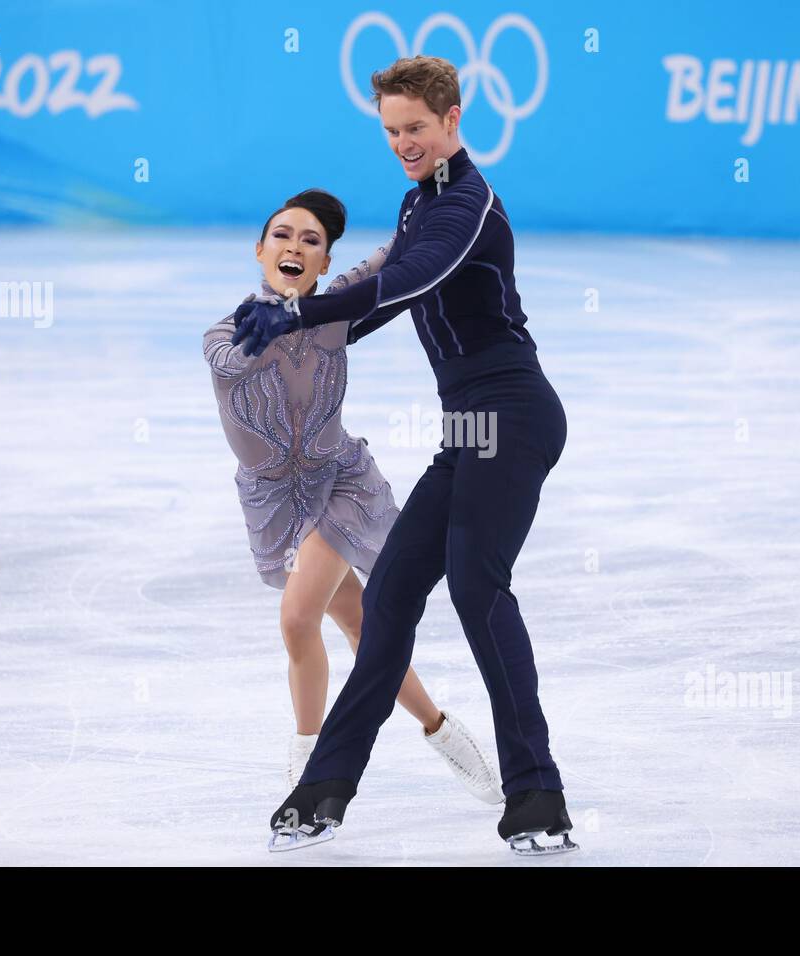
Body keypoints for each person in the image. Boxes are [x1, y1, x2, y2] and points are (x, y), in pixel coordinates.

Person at [232, 58, 577, 855]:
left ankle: (538, 796)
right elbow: (382, 300)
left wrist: (301, 314)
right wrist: (302, 332)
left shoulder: (468, 206)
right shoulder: (419, 202)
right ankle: (326, 786)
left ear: (453, 120)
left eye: (415, 128)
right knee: (387, 599)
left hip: (512, 414)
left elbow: (410, 278)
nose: (403, 143)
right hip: (466, 427)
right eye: (390, 131)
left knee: (476, 585)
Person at [203, 188, 503, 850]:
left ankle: (310, 770)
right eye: (282, 235)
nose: (294, 247)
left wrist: (441, 214)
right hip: (275, 505)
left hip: (341, 484)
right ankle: (440, 729)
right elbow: (232, 362)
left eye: (311, 241)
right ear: (259, 251)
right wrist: (275, 322)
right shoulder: (223, 335)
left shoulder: (335, 312)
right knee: (362, 624)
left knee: (297, 618)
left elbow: (388, 266)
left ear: (322, 261)